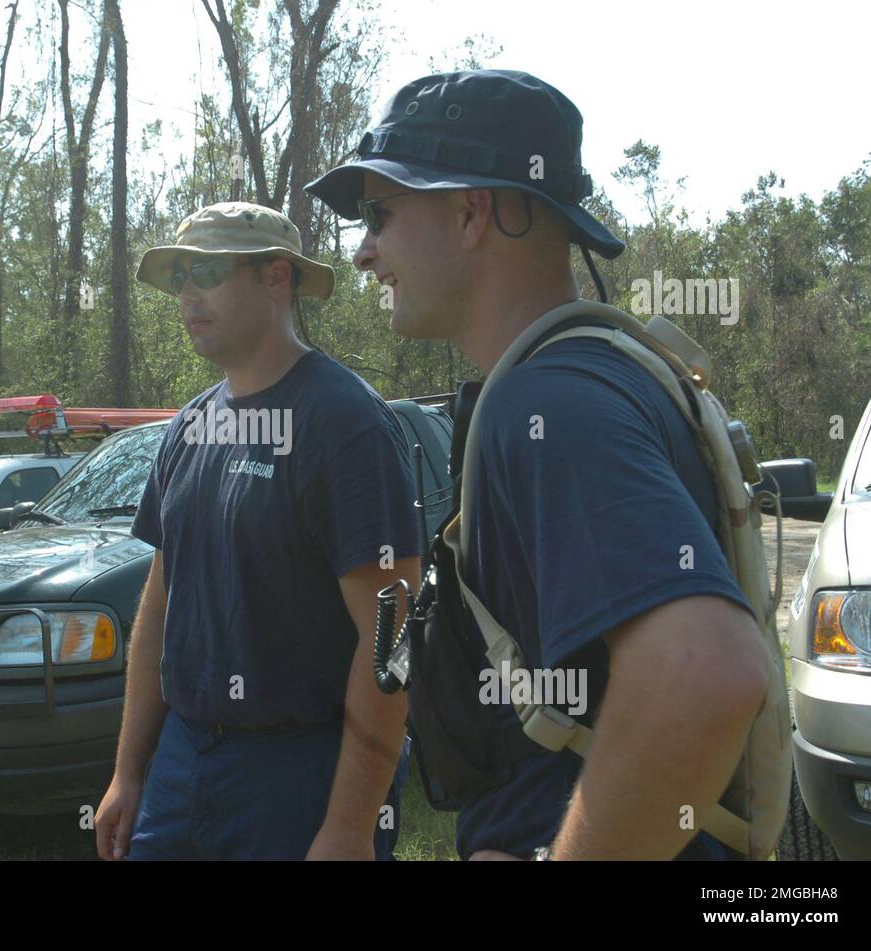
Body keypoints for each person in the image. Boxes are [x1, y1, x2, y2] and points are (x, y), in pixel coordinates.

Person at [306, 70, 772, 860]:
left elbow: (704, 672)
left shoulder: (550, 404)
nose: (362, 252)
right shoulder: (598, 376)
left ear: (470, 211)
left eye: (380, 214)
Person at [93, 201, 420, 860]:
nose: (186, 292)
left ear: (277, 278)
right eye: (180, 272)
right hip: (182, 761)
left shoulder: (344, 425)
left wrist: (351, 825)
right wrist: (130, 771)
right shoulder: (188, 429)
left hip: (301, 769)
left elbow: (394, 634)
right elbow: (159, 603)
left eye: (207, 271)